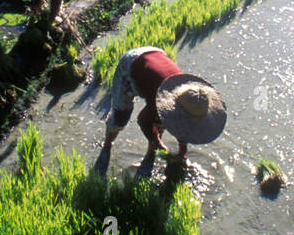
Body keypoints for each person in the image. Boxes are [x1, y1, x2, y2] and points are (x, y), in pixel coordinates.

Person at [97, 46, 226, 172]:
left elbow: (186, 125)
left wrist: (182, 152)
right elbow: (142, 120)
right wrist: (156, 140)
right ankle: (107, 147)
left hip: (156, 58)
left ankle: (150, 153)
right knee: (120, 117)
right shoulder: (161, 99)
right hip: (131, 64)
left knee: (162, 120)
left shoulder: (189, 97)